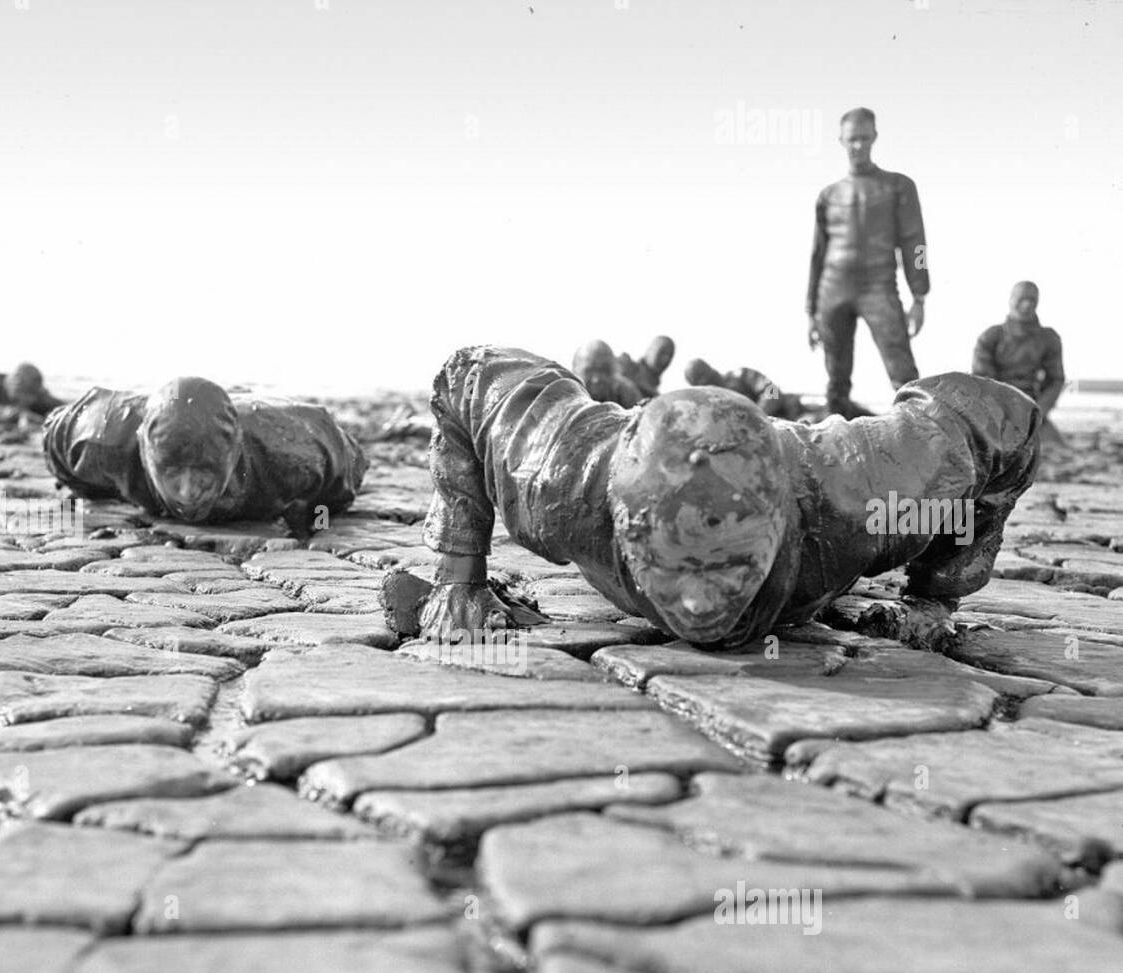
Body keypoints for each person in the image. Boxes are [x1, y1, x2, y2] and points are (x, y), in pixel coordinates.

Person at [415, 346, 1040, 651]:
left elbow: (1002, 420)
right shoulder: (558, 477)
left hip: (812, 466)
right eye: (672, 562)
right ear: (620, 522)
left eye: (730, 566)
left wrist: (935, 593)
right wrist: (458, 576)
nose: (698, 607)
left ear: (785, 524)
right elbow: (469, 375)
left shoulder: (861, 501)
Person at [42, 375, 368, 530]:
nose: (186, 492)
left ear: (228, 457)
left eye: (202, 475)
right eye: (171, 474)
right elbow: (54, 438)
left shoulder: (290, 455)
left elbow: (343, 480)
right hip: (139, 410)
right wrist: (89, 488)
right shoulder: (101, 439)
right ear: (147, 456)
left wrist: (317, 517)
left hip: (269, 422)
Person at [807, 108, 929, 418]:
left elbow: (915, 244)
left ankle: (917, 433)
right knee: (836, 375)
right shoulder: (828, 195)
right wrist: (810, 311)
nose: (858, 145)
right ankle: (837, 437)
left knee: (903, 371)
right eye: (851, 139)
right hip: (832, 289)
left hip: (879, 285)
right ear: (841, 141)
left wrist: (919, 296)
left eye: (863, 138)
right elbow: (817, 254)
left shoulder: (898, 186)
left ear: (874, 137)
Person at [972, 281, 1066, 433]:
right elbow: (982, 381)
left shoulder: (1049, 338)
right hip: (995, 412)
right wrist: (1001, 413)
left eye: (1032, 300)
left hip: (1031, 410)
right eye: (1021, 299)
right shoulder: (990, 337)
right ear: (1011, 299)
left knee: (1058, 449)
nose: (1026, 305)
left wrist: (1037, 412)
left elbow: (1055, 380)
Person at [683, 358, 807, 420]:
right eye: (699, 382)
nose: (705, 382)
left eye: (703, 375)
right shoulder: (709, 406)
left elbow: (773, 390)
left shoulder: (741, 375)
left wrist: (755, 414)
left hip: (784, 420)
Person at [571, 340, 642, 407]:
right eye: (589, 371)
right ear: (575, 371)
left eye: (604, 370)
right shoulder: (566, 396)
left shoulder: (626, 393)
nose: (596, 379)